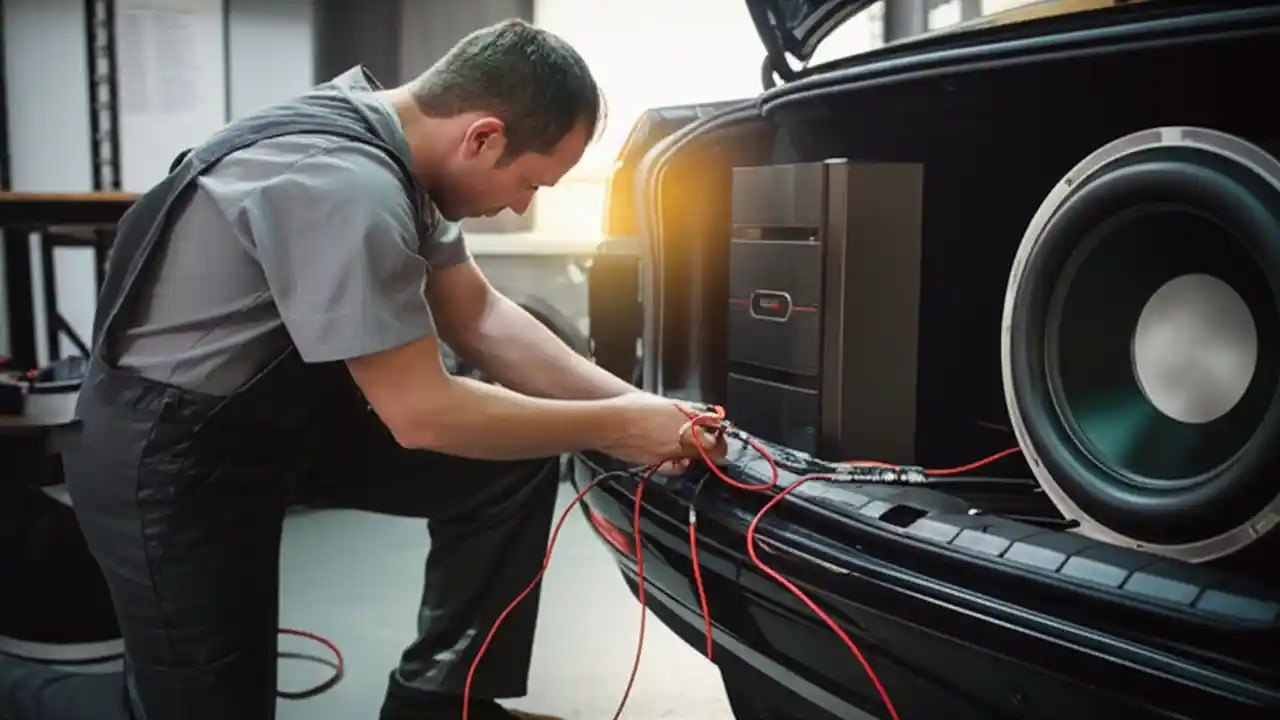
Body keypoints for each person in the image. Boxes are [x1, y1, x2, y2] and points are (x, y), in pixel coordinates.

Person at [0, 18, 724, 720]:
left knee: (507, 469)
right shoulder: (344, 183)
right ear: (482, 136)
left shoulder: (390, 142)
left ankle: (438, 704)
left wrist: (651, 410)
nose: (518, 206)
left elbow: (481, 317)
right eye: (531, 182)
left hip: (274, 427)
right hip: (167, 458)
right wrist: (622, 427)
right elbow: (424, 415)